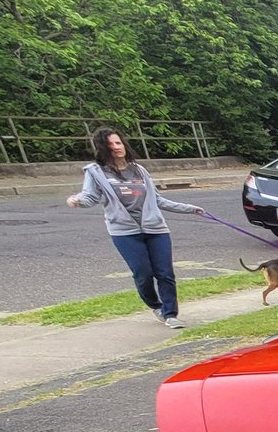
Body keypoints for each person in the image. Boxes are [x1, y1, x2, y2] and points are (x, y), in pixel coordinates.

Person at [67, 127, 206, 328]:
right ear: (102, 148)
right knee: (143, 273)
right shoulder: (96, 172)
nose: (116, 148)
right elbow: (90, 197)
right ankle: (155, 305)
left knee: (165, 273)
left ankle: (170, 313)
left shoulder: (139, 170)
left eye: (118, 143)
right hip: (124, 232)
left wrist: (189, 209)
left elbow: (157, 199)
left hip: (155, 228)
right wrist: (76, 200)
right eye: (110, 145)